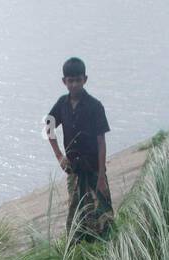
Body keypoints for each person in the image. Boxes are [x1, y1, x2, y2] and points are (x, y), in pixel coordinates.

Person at [47, 58, 114, 242]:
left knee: (102, 212)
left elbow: (101, 142)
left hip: (94, 169)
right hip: (74, 170)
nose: (74, 84)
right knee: (76, 212)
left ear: (85, 79)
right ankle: (77, 248)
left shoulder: (95, 106)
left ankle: (106, 245)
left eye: (78, 79)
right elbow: (48, 127)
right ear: (64, 81)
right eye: (70, 80)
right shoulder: (62, 104)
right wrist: (59, 155)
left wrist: (101, 176)